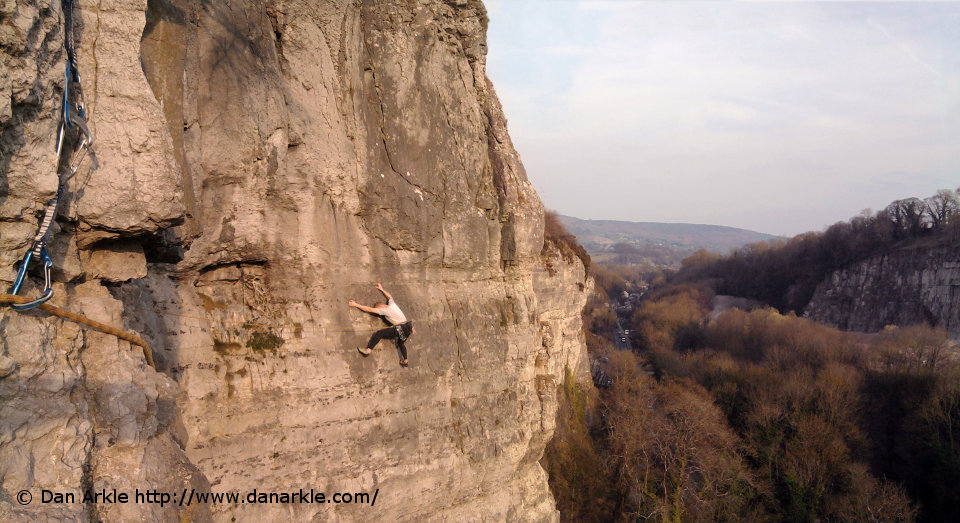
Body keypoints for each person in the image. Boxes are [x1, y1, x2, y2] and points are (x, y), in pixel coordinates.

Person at [348, 283, 414, 367]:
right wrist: (381, 289)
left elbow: (369, 309)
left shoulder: (384, 310)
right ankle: (405, 360)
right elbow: (390, 297)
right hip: (408, 328)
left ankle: (368, 350)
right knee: (401, 343)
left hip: (400, 328)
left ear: (380, 307)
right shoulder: (392, 305)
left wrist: (355, 304)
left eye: (378, 309)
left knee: (379, 333)